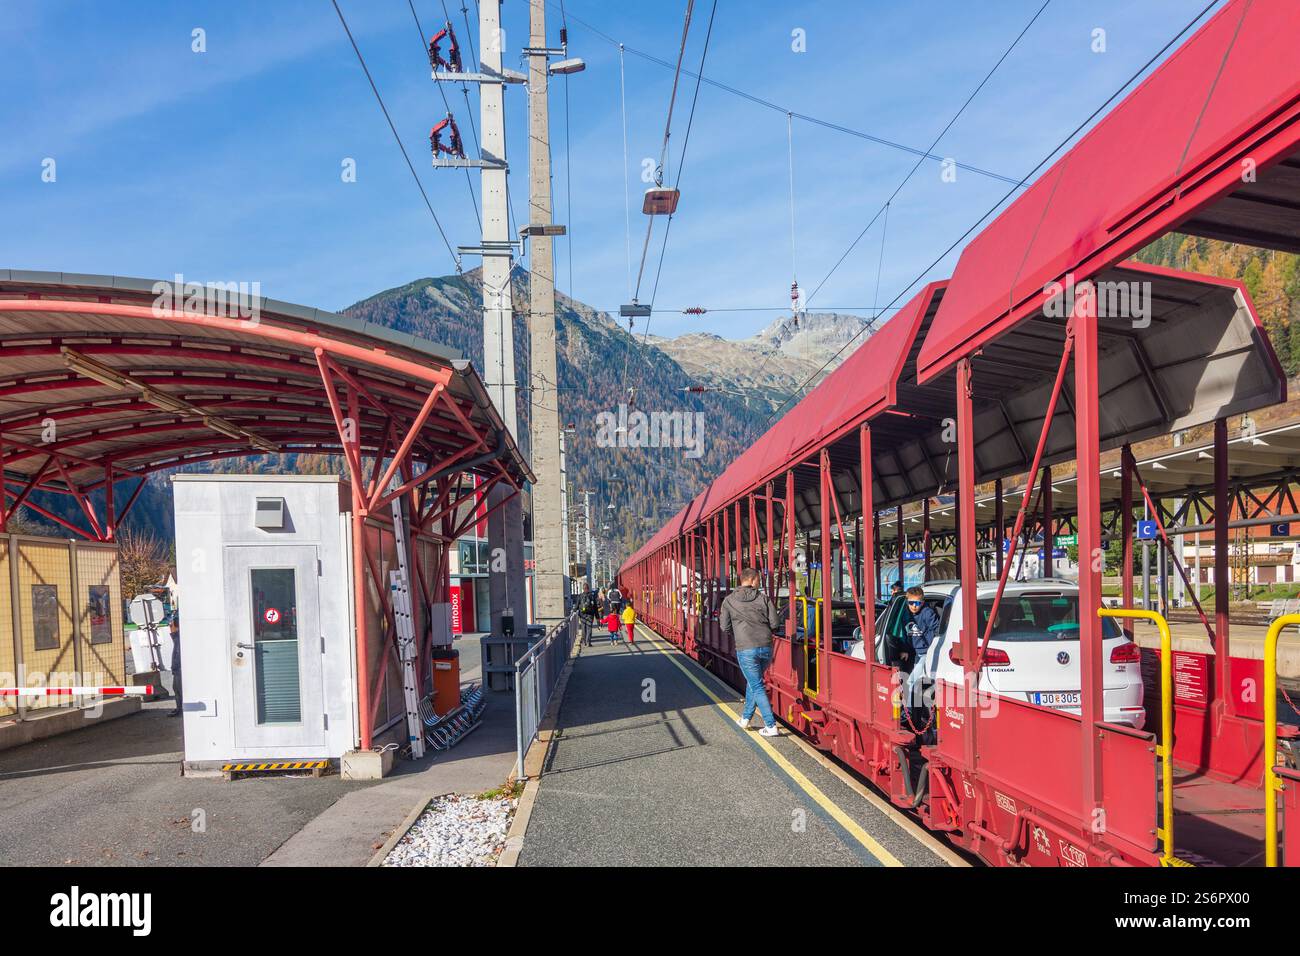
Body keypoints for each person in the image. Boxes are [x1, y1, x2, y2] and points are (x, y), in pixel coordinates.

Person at [720, 567, 781, 737]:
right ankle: (745, 718)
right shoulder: (763, 598)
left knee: (756, 684)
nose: (759, 582)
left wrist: (739, 634)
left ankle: (770, 725)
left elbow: (724, 626)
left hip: (746, 648)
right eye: (758, 579)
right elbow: (775, 623)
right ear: (753, 580)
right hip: (766, 647)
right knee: (754, 683)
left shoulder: (729, 600)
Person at [902, 586, 940, 714]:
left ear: (922, 603)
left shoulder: (927, 613)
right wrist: (906, 650)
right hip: (917, 653)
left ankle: (908, 712)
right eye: (911, 603)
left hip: (926, 653)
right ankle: (914, 710)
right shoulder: (907, 614)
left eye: (917, 603)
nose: (914, 606)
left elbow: (937, 629)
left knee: (911, 681)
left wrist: (931, 646)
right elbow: (906, 635)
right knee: (915, 682)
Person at [167, 614, 183, 717]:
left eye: (171, 625)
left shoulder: (178, 638)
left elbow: (178, 656)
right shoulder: (177, 637)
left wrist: (175, 667)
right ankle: (179, 708)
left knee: (179, 689)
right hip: (177, 668)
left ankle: (180, 709)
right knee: (176, 688)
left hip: (179, 669)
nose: (170, 628)